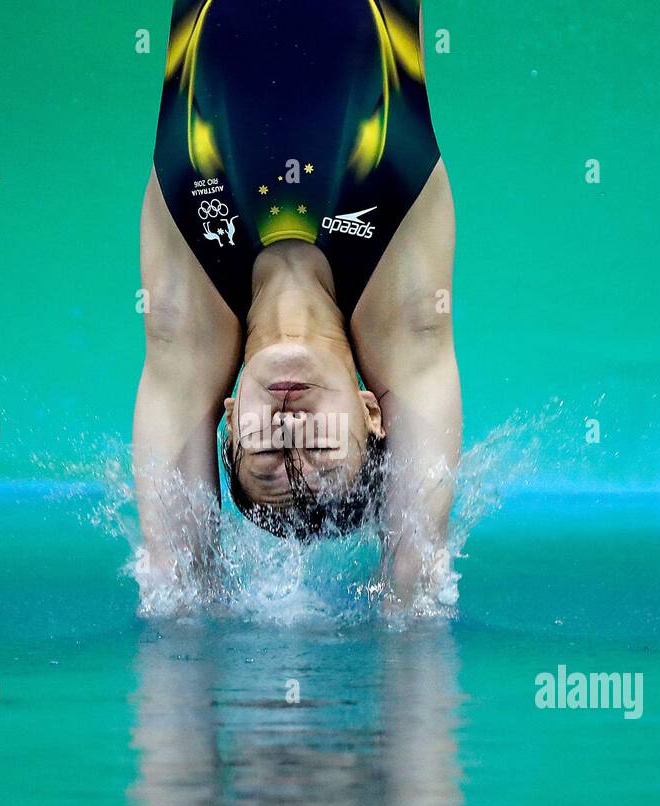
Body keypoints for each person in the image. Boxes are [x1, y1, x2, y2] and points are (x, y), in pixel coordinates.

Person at [134, 0, 460, 607]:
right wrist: (406, 589)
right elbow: (417, 575)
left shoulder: (189, 314)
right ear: (372, 414)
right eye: (321, 446)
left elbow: (173, 583)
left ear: (228, 426)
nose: (291, 430)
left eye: (267, 454)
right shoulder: (404, 304)